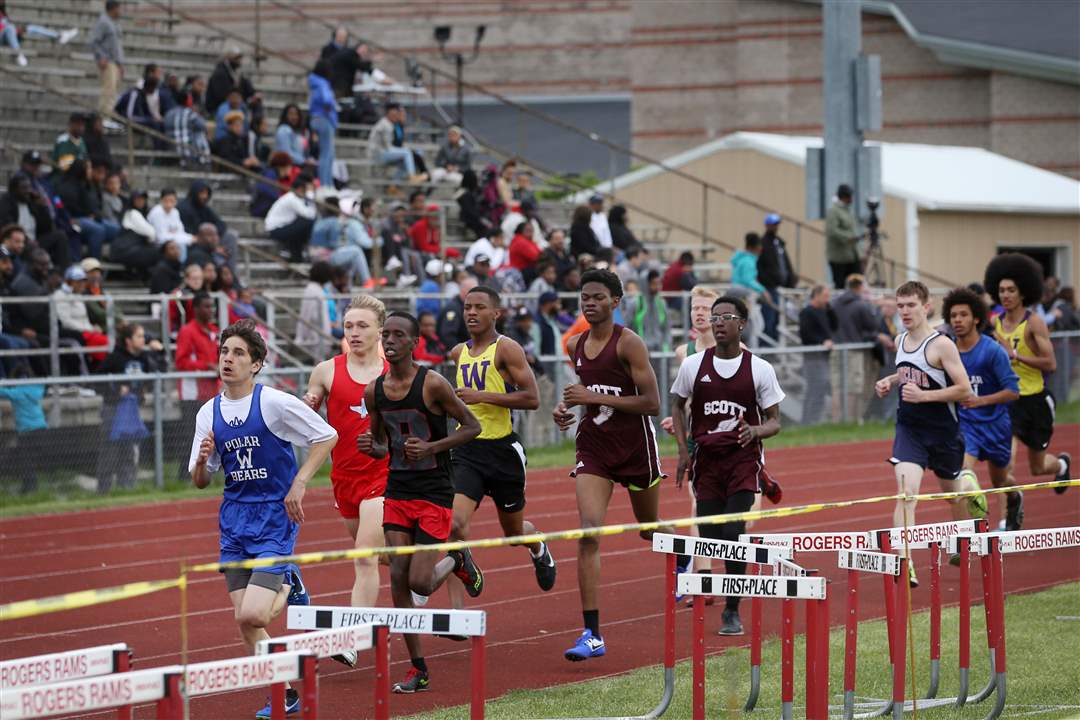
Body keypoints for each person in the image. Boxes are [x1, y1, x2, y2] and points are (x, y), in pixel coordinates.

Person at [189, 319, 336, 718]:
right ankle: (285, 694)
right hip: (234, 520)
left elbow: (327, 436)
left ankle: (288, 578)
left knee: (253, 613)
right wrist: (202, 463)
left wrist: (300, 483)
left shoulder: (273, 402)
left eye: (238, 353)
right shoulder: (209, 412)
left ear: (256, 364)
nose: (228, 359)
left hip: (274, 514)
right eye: (224, 352)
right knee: (246, 622)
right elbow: (201, 481)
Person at [358, 311, 483, 693]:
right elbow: (383, 446)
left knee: (421, 583)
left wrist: (432, 446)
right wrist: (372, 447)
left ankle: (456, 558)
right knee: (396, 577)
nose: (391, 341)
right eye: (387, 335)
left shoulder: (433, 385)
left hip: (434, 491)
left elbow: (472, 427)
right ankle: (417, 667)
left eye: (399, 335)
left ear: (414, 343)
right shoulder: (373, 391)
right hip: (397, 490)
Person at [552, 268, 664, 661]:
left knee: (649, 530)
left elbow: (652, 403)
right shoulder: (575, 345)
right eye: (584, 296)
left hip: (635, 447)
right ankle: (592, 633)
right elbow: (583, 395)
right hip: (595, 449)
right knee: (588, 533)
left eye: (598, 297)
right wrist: (564, 409)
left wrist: (588, 397)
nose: (589, 302)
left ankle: (683, 554)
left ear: (616, 301)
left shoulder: (629, 345)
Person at [670, 295, 785, 634]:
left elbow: (775, 421)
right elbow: (677, 406)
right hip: (706, 461)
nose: (718, 322)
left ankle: (732, 611)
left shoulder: (759, 368)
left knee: (733, 533)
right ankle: (717, 592)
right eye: (715, 317)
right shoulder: (694, 365)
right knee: (709, 537)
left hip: (742, 458)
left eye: (726, 317)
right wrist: (682, 451)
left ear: (741, 324)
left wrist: (756, 430)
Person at [445, 286, 557, 611]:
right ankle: (461, 595)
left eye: (480, 307)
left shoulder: (506, 349)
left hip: (503, 452)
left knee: (512, 533)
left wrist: (482, 396)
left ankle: (536, 544)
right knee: (453, 524)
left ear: (496, 313)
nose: (471, 313)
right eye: (467, 307)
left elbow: (532, 398)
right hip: (467, 450)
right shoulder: (457, 353)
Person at [874, 281, 973, 587]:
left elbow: (964, 389)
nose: (904, 311)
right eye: (900, 305)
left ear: (926, 307)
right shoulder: (900, 340)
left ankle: (963, 535)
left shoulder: (941, 344)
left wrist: (925, 397)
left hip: (943, 432)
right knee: (907, 494)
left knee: (952, 492)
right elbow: (909, 373)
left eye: (911, 305)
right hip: (910, 430)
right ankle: (905, 563)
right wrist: (890, 381)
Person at [303, 296, 389, 634]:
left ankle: (352, 636)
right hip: (344, 476)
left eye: (362, 326)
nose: (354, 332)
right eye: (349, 326)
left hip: (384, 474)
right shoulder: (326, 371)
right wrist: (306, 407)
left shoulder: (392, 373)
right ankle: (434, 566)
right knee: (381, 556)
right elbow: (308, 411)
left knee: (364, 555)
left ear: (380, 331)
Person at [985, 253, 1071, 494]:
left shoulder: (1034, 323)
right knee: (1006, 464)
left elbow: (1051, 364)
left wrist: (1015, 355)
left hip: (1035, 402)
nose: (1005, 295)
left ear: (1023, 292)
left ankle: (1062, 463)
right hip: (1008, 401)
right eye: (1001, 290)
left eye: (1011, 290)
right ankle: (1011, 514)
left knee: (1038, 467)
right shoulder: (995, 324)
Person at [944, 287, 1023, 534]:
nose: (957, 320)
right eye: (953, 315)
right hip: (966, 426)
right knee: (963, 472)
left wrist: (981, 401)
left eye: (963, 315)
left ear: (976, 318)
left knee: (1000, 481)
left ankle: (1015, 494)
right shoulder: (948, 351)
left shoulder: (992, 351)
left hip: (996, 425)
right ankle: (970, 532)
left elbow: (1013, 391)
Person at [96, 323, 161, 493]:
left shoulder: (143, 358)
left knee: (129, 451)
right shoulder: (115, 358)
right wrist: (116, 389)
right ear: (128, 340)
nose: (143, 339)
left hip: (132, 410)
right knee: (109, 451)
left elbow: (157, 372)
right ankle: (104, 490)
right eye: (139, 336)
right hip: (113, 409)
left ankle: (127, 488)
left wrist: (158, 353)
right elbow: (96, 380)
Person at [175, 292, 220, 474]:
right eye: (207, 306)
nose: (211, 310)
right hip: (191, 393)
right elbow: (181, 362)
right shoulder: (187, 331)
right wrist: (207, 367)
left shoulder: (214, 332)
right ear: (196, 309)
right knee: (190, 437)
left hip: (211, 392)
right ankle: (185, 474)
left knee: (212, 436)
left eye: (212, 306)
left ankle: (207, 471)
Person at [831, 274, 883, 423]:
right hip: (854, 351)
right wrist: (877, 308)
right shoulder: (861, 305)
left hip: (836, 349)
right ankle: (852, 420)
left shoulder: (834, 303)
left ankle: (836, 420)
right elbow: (873, 326)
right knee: (853, 388)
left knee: (837, 387)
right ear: (859, 287)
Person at [797, 285, 835, 425]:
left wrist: (830, 308)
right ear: (816, 295)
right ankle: (807, 421)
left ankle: (815, 419)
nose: (827, 299)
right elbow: (805, 334)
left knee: (821, 387)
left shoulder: (824, 311)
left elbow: (835, 325)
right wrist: (822, 342)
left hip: (823, 357)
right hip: (812, 357)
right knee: (814, 388)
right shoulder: (807, 312)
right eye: (825, 296)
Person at [0, 1, 77, 66]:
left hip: (8, 34)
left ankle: (59, 36)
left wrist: (18, 30)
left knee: (29, 27)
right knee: (10, 28)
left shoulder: (3, 12)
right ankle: (18, 55)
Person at [759, 213, 796, 341]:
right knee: (769, 319)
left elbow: (785, 264)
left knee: (777, 320)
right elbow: (760, 267)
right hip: (769, 288)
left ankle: (774, 346)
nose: (775, 227)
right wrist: (768, 282)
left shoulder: (778, 243)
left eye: (776, 224)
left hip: (781, 287)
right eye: (773, 224)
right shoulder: (763, 243)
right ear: (767, 225)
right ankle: (768, 349)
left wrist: (791, 280)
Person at [266, 174, 316, 263]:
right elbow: (310, 215)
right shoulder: (292, 198)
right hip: (276, 230)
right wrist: (310, 194)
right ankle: (296, 250)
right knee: (308, 222)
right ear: (300, 189)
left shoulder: (294, 198)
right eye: (305, 190)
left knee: (302, 226)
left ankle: (296, 256)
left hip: (284, 227)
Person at [369, 103, 422, 183]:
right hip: (378, 153)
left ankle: (393, 185)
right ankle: (412, 176)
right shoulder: (385, 124)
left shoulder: (390, 124)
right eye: (394, 115)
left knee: (406, 160)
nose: (396, 116)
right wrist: (404, 150)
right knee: (407, 152)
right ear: (389, 114)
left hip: (383, 151)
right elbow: (388, 147)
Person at [89, 1, 124, 122]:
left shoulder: (115, 23)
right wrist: (101, 57)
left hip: (115, 62)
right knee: (108, 91)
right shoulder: (103, 22)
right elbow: (94, 41)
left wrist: (120, 64)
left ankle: (107, 116)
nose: (121, 11)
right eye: (119, 9)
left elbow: (116, 46)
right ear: (113, 9)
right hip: (108, 61)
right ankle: (103, 117)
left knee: (113, 91)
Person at [206, 46, 261, 118]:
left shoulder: (235, 72)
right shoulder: (220, 73)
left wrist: (254, 94)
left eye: (239, 58)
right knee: (242, 108)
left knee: (256, 103)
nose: (239, 61)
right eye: (236, 58)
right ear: (229, 59)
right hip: (219, 107)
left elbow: (247, 87)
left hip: (233, 104)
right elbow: (222, 95)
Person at [308, 59, 338, 189]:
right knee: (327, 153)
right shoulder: (322, 83)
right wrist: (330, 107)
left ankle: (326, 182)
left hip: (315, 117)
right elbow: (326, 100)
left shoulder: (314, 83)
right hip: (325, 118)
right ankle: (325, 184)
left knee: (325, 152)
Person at [825, 183, 860, 290]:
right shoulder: (834, 211)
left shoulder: (847, 211)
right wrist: (849, 237)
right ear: (844, 196)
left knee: (856, 283)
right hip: (839, 258)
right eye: (849, 196)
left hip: (851, 256)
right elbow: (832, 230)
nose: (851, 199)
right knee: (840, 286)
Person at [147, 187, 193, 261]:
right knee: (180, 246)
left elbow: (180, 231)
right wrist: (187, 239)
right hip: (156, 245)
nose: (169, 204)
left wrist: (190, 238)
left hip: (172, 241)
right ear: (161, 200)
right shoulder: (156, 213)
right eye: (166, 201)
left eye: (172, 201)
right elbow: (161, 237)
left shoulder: (175, 212)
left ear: (176, 201)